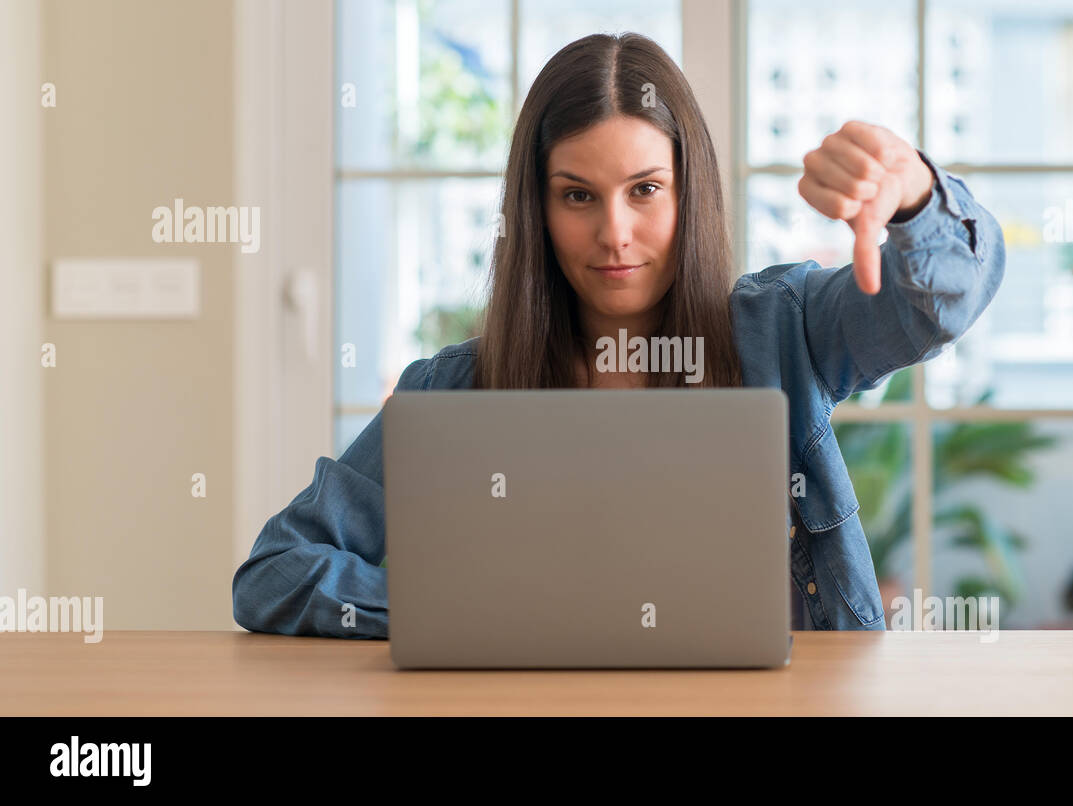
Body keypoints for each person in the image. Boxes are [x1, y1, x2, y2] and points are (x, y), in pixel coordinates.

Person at [232, 32, 1005, 638]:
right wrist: (474, 609)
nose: (615, 234)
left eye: (645, 190)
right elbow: (275, 572)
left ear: (688, 191)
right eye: (577, 195)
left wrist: (915, 198)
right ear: (534, 210)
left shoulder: (785, 331)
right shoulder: (453, 390)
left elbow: (939, 304)